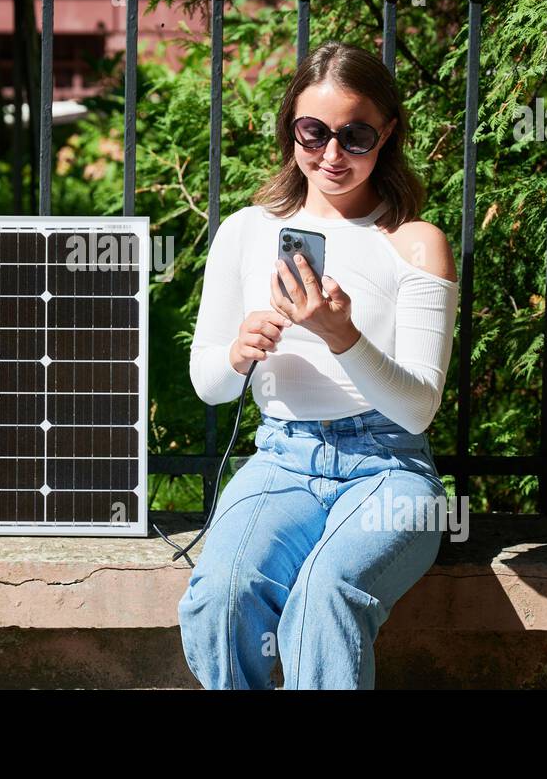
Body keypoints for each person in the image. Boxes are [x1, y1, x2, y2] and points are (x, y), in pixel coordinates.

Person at [178, 41, 460, 689]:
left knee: (324, 598)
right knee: (220, 596)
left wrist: (342, 336)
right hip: (281, 458)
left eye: (355, 136)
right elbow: (209, 385)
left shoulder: (415, 243)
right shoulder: (246, 230)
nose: (332, 155)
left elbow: (418, 408)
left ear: (387, 134)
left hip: (388, 468)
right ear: (291, 130)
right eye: (314, 132)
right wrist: (238, 353)